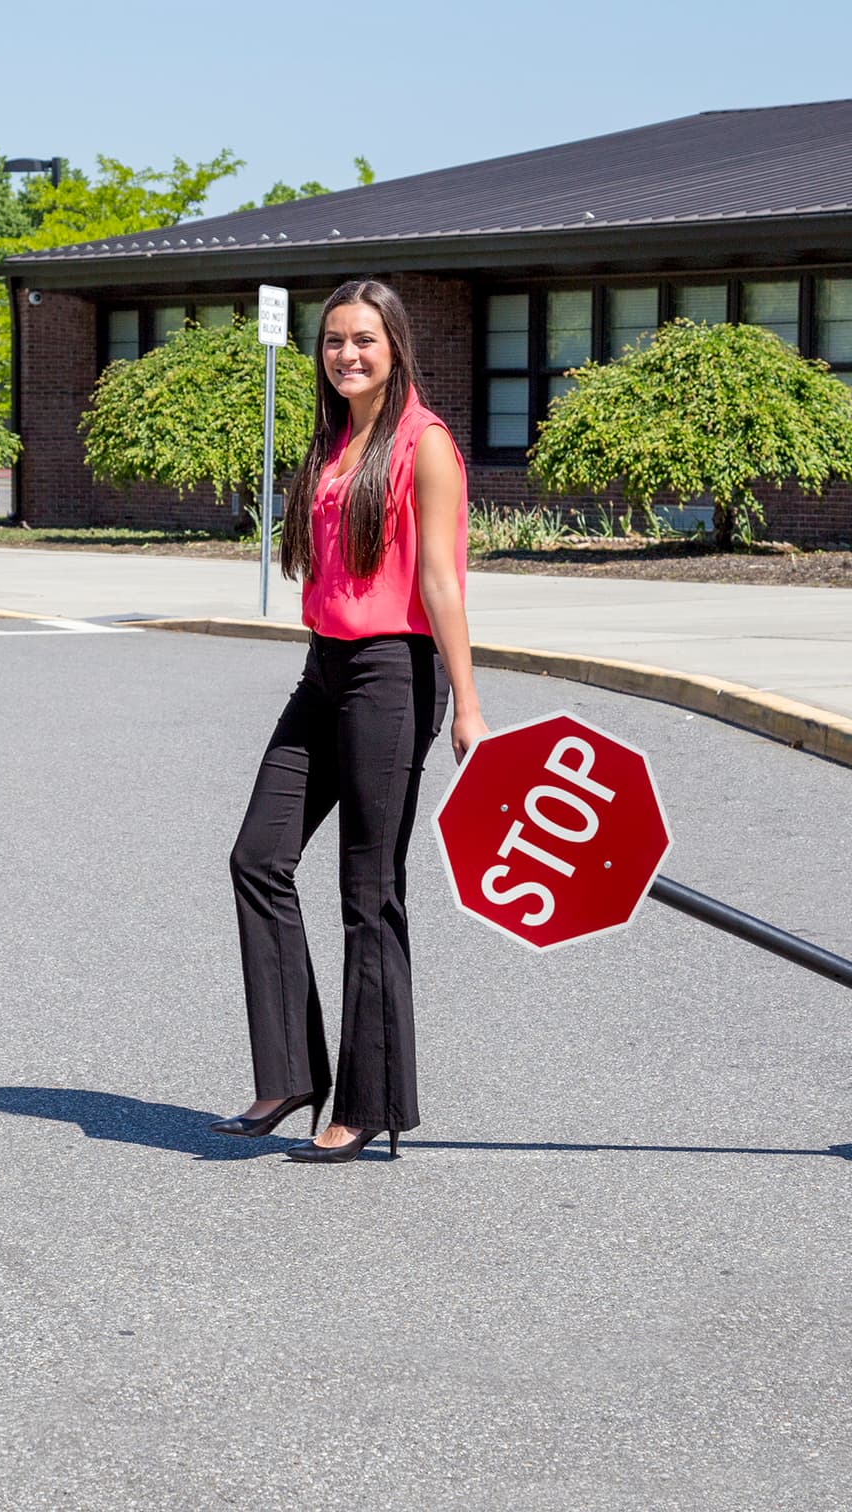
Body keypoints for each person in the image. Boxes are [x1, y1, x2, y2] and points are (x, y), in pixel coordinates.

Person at [211, 279, 487, 1165]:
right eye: (333, 341)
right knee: (258, 857)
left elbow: (440, 580)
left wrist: (467, 702)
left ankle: (368, 1104)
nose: (347, 355)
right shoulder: (335, 438)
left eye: (364, 339)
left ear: (395, 345)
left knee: (369, 892)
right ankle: (291, 1073)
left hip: (393, 672)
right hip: (324, 668)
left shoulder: (424, 442)